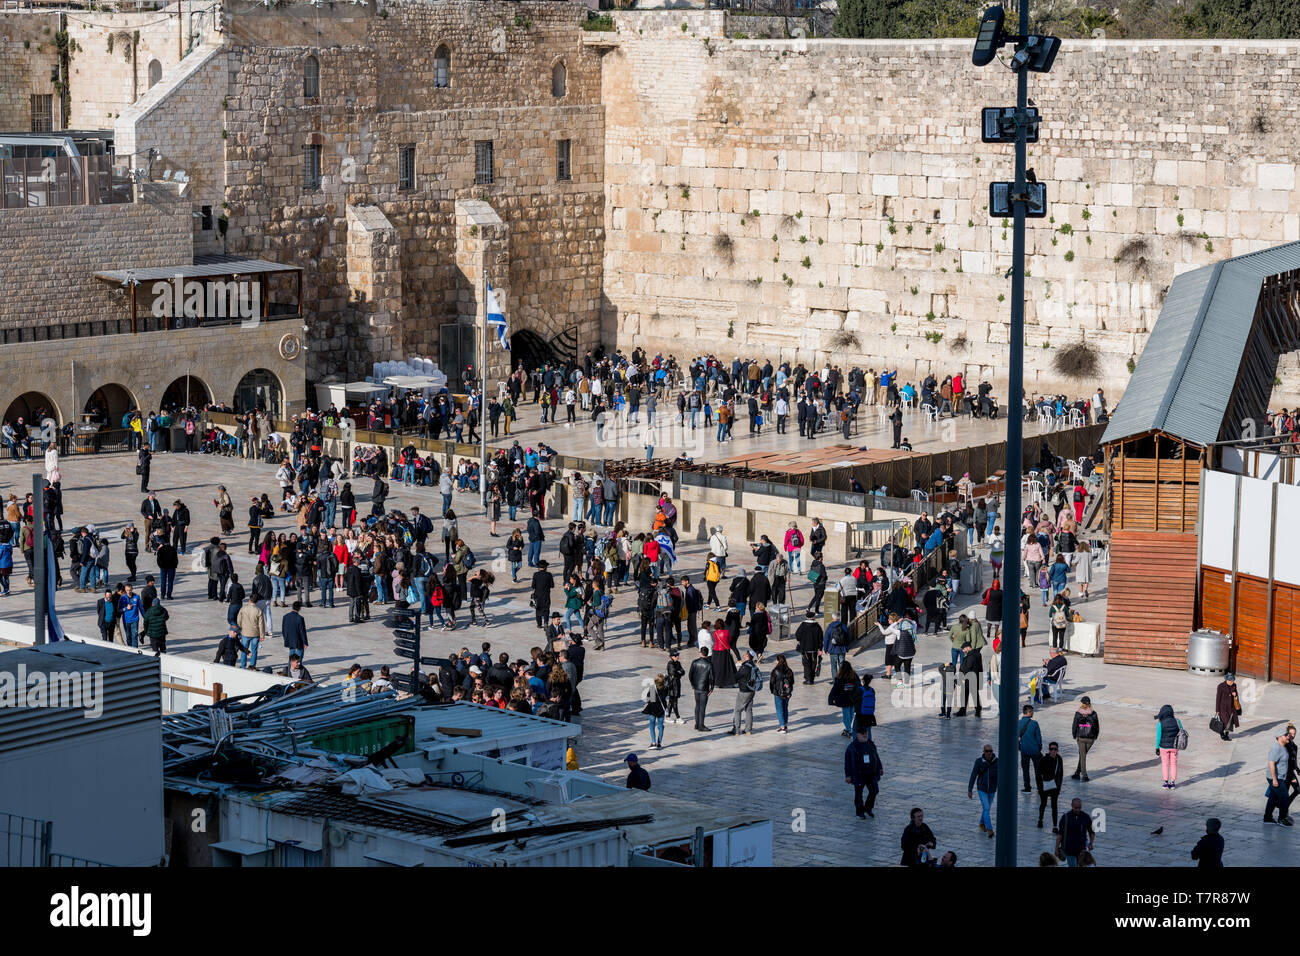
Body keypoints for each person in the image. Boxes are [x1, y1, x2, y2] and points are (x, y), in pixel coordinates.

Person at [844, 729, 883, 819]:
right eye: (862, 733)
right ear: (857, 735)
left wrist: (880, 768)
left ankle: (868, 808)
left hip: (871, 773)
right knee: (858, 794)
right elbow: (847, 763)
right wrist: (848, 775)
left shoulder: (870, 743)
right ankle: (860, 812)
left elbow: (876, 756)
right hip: (859, 774)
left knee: (874, 790)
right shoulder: (852, 747)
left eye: (866, 733)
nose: (865, 735)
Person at [967, 744, 998, 839]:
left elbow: (1000, 775)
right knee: (987, 808)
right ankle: (990, 829)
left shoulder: (997, 761)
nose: (989, 753)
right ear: (983, 752)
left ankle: (981, 823)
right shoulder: (979, 761)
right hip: (982, 789)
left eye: (990, 751)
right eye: (987, 751)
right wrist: (970, 790)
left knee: (986, 808)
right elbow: (973, 775)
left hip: (992, 789)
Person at [1265, 727, 1294, 826]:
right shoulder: (1276, 748)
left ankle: (1267, 818)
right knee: (1284, 797)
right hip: (1276, 778)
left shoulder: (1283, 747)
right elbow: (1271, 763)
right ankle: (1282, 819)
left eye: (1288, 735)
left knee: (1273, 798)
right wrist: (1274, 779)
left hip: (1281, 777)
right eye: (1286, 735)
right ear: (1279, 737)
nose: (1288, 737)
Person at [1056, 798, 1095, 867]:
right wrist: (1056, 848)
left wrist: (1091, 843)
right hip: (1069, 849)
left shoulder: (1085, 817)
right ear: (1072, 806)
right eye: (1076, 808)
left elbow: (1091, 832)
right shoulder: (1066, 817)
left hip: (1081, 849)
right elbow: (1060, 835)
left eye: (1079, 808)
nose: (1078, 810)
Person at [728, 650, 759, 736]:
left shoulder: (744, 667)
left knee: (738, 710)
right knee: (748, 710)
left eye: (745, 654)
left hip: (744, 691)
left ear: (747, 656)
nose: (744, 655)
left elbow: (736, 677)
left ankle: (737, 730)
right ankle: (748, 730)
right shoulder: (754, 666)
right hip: (752, 691)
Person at [1036, 741, 1064, 832]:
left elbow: (1061, 773)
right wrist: (1040, 788)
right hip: (1044, 787)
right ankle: (1040, 819)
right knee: (1043, 804)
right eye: (1051, 749)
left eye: (1055, 749)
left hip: (1055, 787)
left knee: (1054, 806)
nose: (1053, 751)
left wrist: (1059, 786)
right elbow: (1038, 775)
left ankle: (1055, 826)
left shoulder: (1059, 759)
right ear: (1049, 750)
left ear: (1057, 750)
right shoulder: (1043, 760)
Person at [1070, 695, 1100, 781]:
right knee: (1082, 755)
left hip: (1081, 737)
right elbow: (1097, 727)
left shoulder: (1078, 713)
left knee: (1082, 756)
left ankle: (1084, 775)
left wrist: (1074, 735)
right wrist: (1095, 736)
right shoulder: (1094, 714)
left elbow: (1074, 725)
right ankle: (1077, 773)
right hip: (1091, 738)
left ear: (1082, 703)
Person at [1155, 703, 1183, 789]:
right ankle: (1173, 783)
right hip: (1174, 746)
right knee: (1173, 764)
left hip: (1164, 747)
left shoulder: (1161, 723)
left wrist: (1157, 747)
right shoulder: (1177, 721)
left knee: (1165, 764)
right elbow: (1181, 732)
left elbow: (1158, 737)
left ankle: (1166, 782)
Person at [689, 645, 715, 731]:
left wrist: (693, 684)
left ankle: (697, 724)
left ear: (700, 653)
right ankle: (701, 725)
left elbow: (690, 675)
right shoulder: (709, 664)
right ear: (707, 654)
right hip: (704, 688)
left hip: (696, 687)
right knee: (702, 707)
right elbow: (712, 678)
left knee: (697, 705)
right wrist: (711, 688)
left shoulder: (694, 662)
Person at [794, 610, 823, 685]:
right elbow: (821, 638)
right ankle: (812, 679)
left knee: (806, 664)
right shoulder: (817, 626)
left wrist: (801, 640)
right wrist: (820, 648)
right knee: (813, 663)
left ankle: (808, 679)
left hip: (805, 648)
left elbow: (797, 635)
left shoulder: (803, 626)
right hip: (814, 649)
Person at [1018, 704, 1043, 792]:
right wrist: (1039, 747)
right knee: (1038, 770)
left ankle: (1027, 787)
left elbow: (1015, 737)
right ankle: (1040, 787)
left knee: (1025, 770)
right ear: (1028, 712)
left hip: (1024, 751)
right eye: (1032, 711)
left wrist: (1020, 747)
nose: (1033, 713)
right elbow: (1039, 738)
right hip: (1035, 751)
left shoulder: (1018, 723)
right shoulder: (1034, 723)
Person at [768, 653, 794, 733]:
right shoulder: (789, 670)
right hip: (787, 693)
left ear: (778, 661)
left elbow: (772, 682)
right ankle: (784, 725)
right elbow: (792, 682)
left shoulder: (775, 671)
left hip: (778, 693)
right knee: (785, 708)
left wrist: (772, 690)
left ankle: (782, 727)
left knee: (779, 710)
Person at [1214, 672, 1242, 742]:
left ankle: (1226, 735)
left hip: (1232, 708)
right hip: (1223, 708)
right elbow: (1218, 698)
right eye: (1230, 681)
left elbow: (1236, 696)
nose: (1231, 682)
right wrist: (1217, 709)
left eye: (1233, 681)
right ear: (1226, 680)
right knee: (1224, 722)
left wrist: (1235, 695)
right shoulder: (1220, 686)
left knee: (1230, 722)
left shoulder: (1234, 685)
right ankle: (1221, 733)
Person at [643, 675, 668, 750]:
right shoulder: (665, 689)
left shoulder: (653, 689)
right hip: (661, 710)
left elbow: (648, 698)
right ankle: (659, 743)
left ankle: (653, 743)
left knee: (652, 726)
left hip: (652, 709)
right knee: (660, 726)